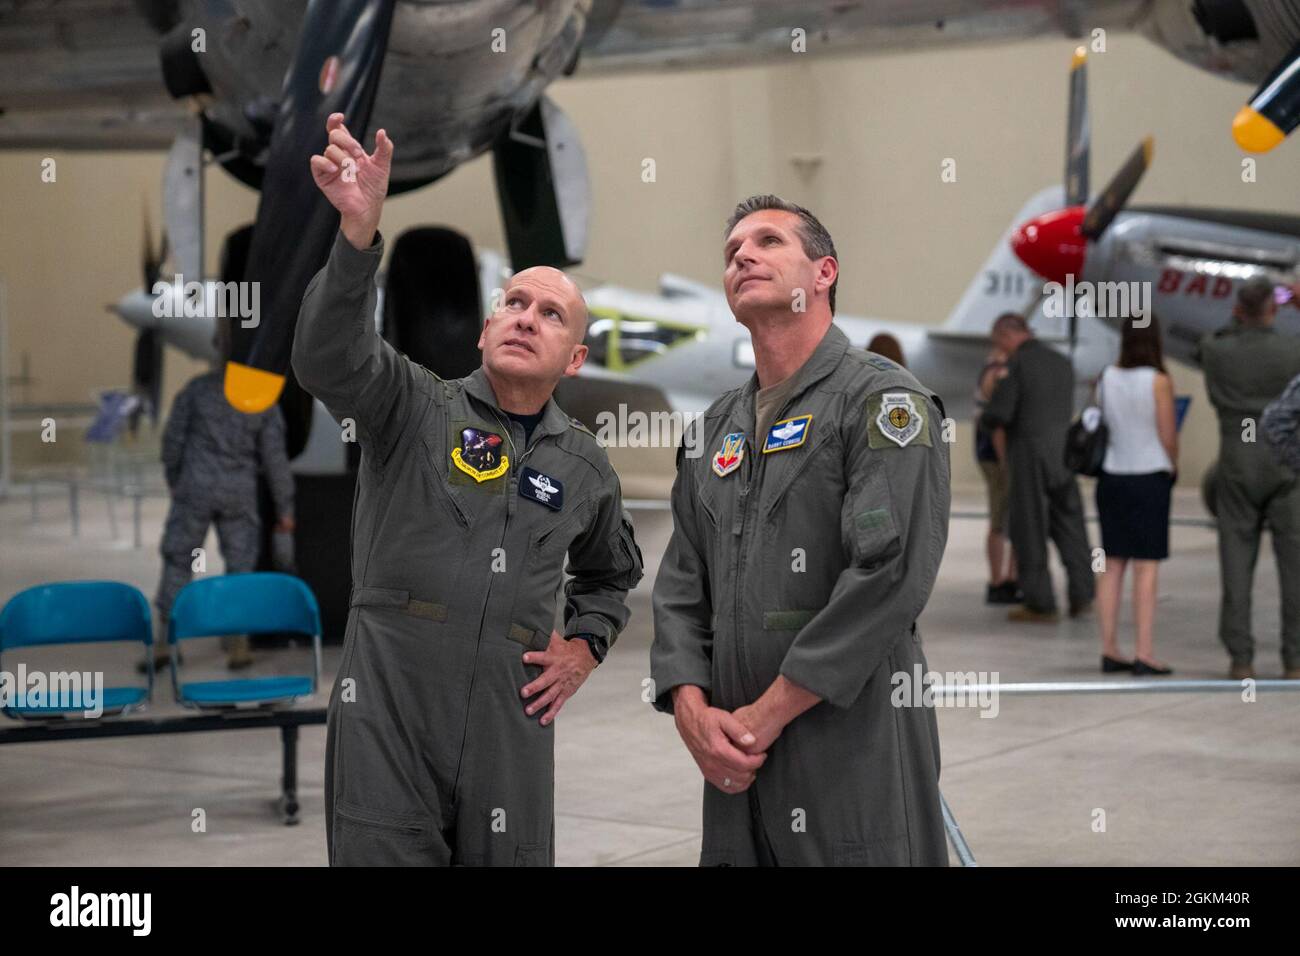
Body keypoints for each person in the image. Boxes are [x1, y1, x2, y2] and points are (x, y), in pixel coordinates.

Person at [294, 113, 643, 866]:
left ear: (574, 358)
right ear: (484, 332)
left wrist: (584, 647)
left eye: (550, 314)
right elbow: (327, 358)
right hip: (389, 709)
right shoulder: (411, 404)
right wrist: (357, 236)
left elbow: (612, 571)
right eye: (513, 304)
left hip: (508, 725)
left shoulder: (583, 464)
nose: (526, 318)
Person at [651, 195, 951, 866]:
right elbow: (679, 585)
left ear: (824, 274)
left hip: (852, 741)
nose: (742, 256)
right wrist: (693, 711)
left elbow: (890, 574)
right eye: (731, 252)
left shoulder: (880, 402)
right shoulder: (713, 430)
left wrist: (768, 715)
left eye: (768, 242)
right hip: (735, 760)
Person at [150, 317, 295, 672]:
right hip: (238, 492)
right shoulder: (259, 396)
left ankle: (165, 646)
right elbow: (275, 459)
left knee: (178, 560)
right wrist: (285, 507)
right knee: (240, 565)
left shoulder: (196, 390)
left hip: (195, 487)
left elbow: (172, 443)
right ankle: (238, 645)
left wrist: (177, 479)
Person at [1197, 277, 1300, 680]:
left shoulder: (1217, 350)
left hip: (1238, 452)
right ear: (1273, 310)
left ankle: (1241, 658)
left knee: (1236, 560)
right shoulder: (1292, 350)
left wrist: (1239, 318)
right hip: (1284, 454)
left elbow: (1207, 338)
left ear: (1238, 311)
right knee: (1294, 564)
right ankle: (1295, 659)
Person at [980, 312, 1095, 622]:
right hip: (1063, 453)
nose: (1000, 349)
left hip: (1029, 453)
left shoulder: (1018, 364)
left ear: (1006, 335)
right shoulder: (1062, 362)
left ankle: (1040, 603)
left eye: (998, 343)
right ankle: (1083, 595)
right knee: (1071, 524)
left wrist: (990, 410)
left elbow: (999, 413)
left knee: (1029, 526)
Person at [1093, 315, 1177, 676]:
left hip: (1111, 477)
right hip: (1149, 478)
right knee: (1146, 567)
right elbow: (1168, 435)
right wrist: (1174, 466)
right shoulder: (1159, 382)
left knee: (1112, 566)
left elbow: (1099, 423)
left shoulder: (1106, 378)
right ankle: (1144, 652)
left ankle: (1110, 648)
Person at [973, 346, 1018, 604]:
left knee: (1002, 519)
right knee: (1002, 519)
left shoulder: (990, 371)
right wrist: (1005, 461)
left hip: (990, 453)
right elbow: (999, 423)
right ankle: (1002, 580)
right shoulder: (999, 374)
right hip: (997, 455)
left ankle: (1004, 579)